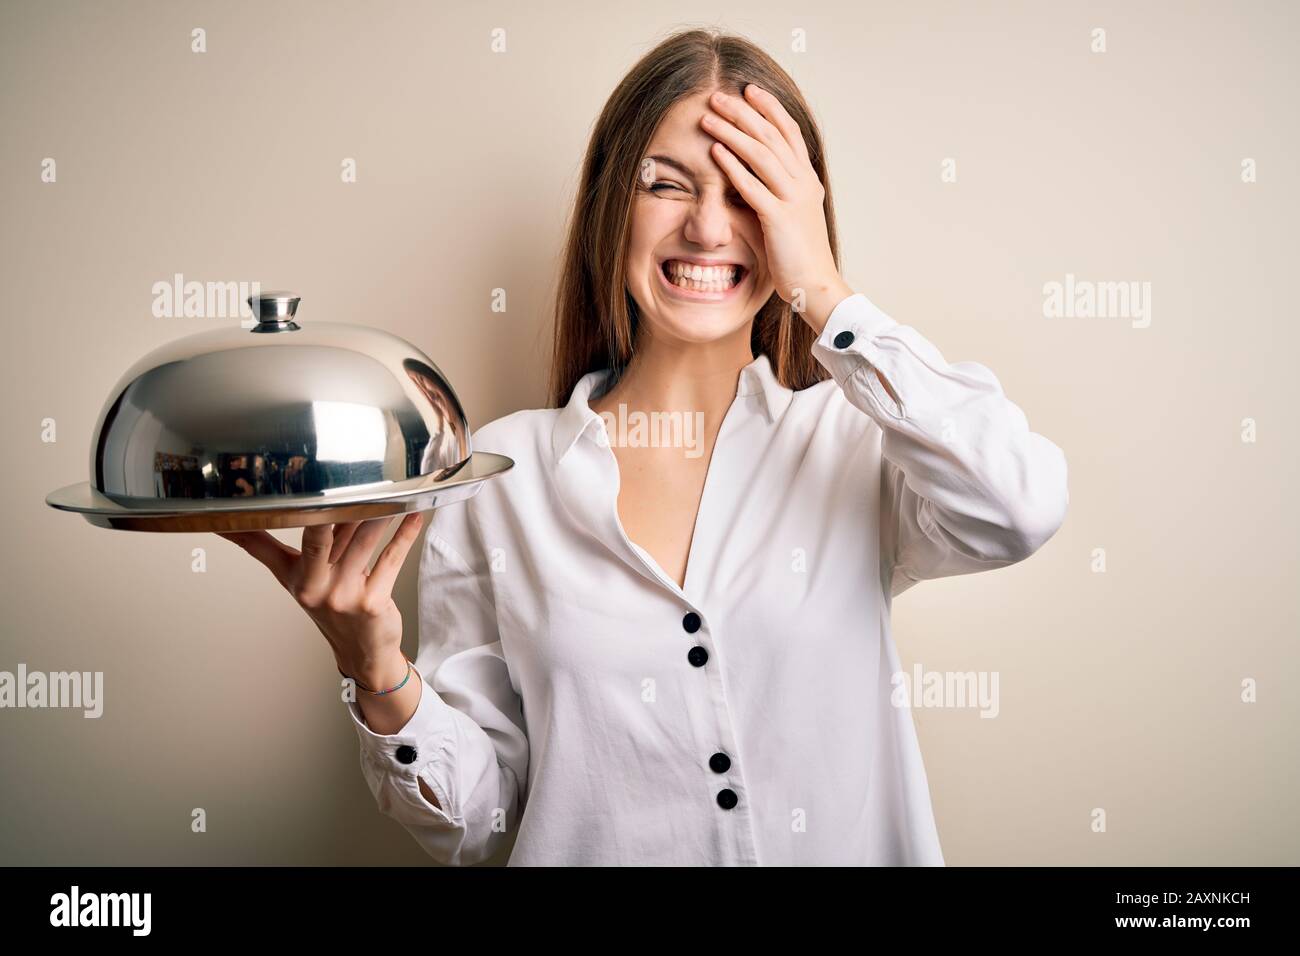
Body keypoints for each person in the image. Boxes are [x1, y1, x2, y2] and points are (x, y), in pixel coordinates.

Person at [221, 28, 1068, 866]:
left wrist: (822, 288)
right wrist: (375, 669)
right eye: (666, 184)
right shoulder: (499, 478)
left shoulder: (855, 441)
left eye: (748, 192)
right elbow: (473, 820)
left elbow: (1016, 508)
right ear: (609, 207)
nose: (707, 227)